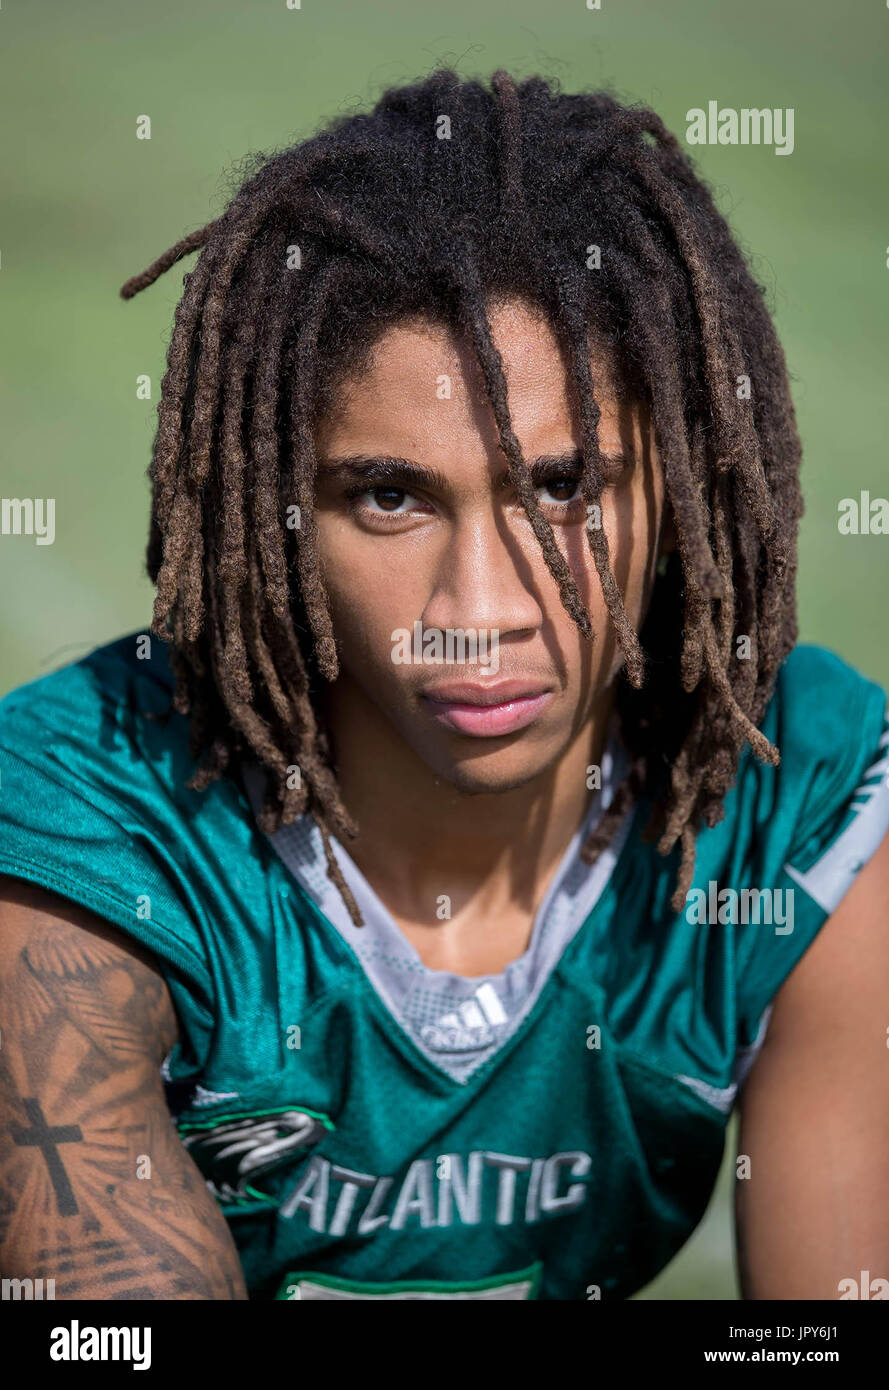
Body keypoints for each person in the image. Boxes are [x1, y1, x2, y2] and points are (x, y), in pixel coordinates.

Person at [1, 69, 887, 1302]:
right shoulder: (83, 840)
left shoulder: (797, 807)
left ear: (682, 493)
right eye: (390, 495)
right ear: (276, 511)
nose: (480, 611)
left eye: (565, 487)